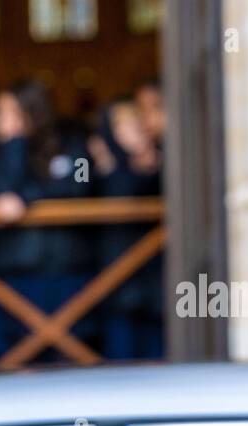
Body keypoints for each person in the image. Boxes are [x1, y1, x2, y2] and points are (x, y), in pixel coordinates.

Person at [0, 79, 94, 365]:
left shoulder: (69, 143)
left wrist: (26, 199)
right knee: (21, 360)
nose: (0, 120)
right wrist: (14, 144)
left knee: (67, 357)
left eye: (7, 112)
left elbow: (78, 185)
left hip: (64, 272)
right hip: (17, 275)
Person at [88, 97, 164, 359]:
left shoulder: (161, 159)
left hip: (154, 277)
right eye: (124, 124)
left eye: (136, 122)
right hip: (116, 276)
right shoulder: (90, 160)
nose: (135, 129)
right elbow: (80, 184)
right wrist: (108, 163)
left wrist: (150, 159)